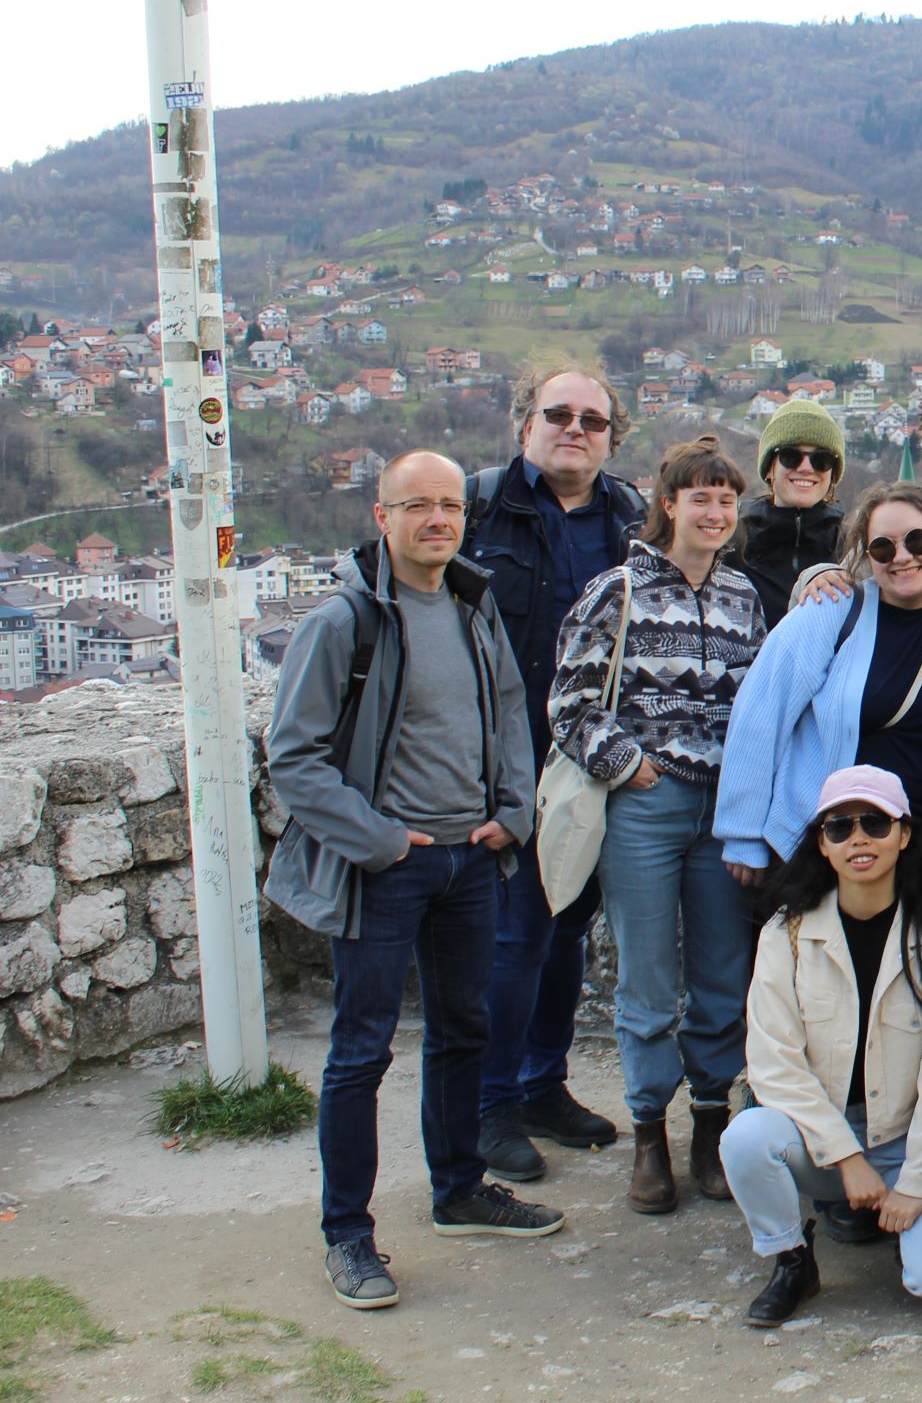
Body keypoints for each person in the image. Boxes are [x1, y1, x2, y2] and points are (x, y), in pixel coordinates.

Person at [265, 450, 558, 1312]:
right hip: (386, 867)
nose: (438, 519)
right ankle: (347, 1236)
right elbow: (296, 758)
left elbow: (509, 712)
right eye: (417, 506)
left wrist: (516, 810)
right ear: (381, 516)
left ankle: (459, 1187)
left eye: (449, 506)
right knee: (361, 1052)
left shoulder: (474, 606)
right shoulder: (344, 621)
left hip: (471, 856)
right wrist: (383, 841)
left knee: (463, 1030)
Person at [548, 435, 765, 1214]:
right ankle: (649, 1136)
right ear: (667, 505)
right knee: (645, 981)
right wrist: (626, 766)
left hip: (722, 812)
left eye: (725, 498)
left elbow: (759, 708)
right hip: (646, 804)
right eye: (699, 497)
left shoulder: (742, 598)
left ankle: (709, 1128)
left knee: (720, 977)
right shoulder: (618, 592)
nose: (714, 511)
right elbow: (569, 702)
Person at [468, 363, 645, 1184]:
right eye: (558, 414)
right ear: (523, 424)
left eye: (594, 420)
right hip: (503, 761)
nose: (576, 429)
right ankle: (489, 1105)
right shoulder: (476, 510)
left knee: (568, 928)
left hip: (592, 763)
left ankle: (543, 1084)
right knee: (516, 937)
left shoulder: (630, 520)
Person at [724, 765, 922, 1324]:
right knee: (746, 1137)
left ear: (904, 835)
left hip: (907, 1142)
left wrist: (916, 1180)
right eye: (840, 828)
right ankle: (791, 1259)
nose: (858, 838)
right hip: (822, 1141)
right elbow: (773, 1063)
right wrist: (847, 1157)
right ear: (823, 845)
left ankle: (895, 1220)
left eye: (875, 823)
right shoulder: (785, 933)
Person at [717, 482, 922, 899]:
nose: (902, 557)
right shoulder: (831, 611)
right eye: (883, 547)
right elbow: (760, 712)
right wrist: (742, 833)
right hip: (827, 851)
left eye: (917, 541)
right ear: (865, 554)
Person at [728, 396, 847, 631]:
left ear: (833, 474)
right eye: (790, 456)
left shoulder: (851, 548)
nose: (806, 468)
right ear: (770, 467)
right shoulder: (733, 544)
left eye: (821, 460)